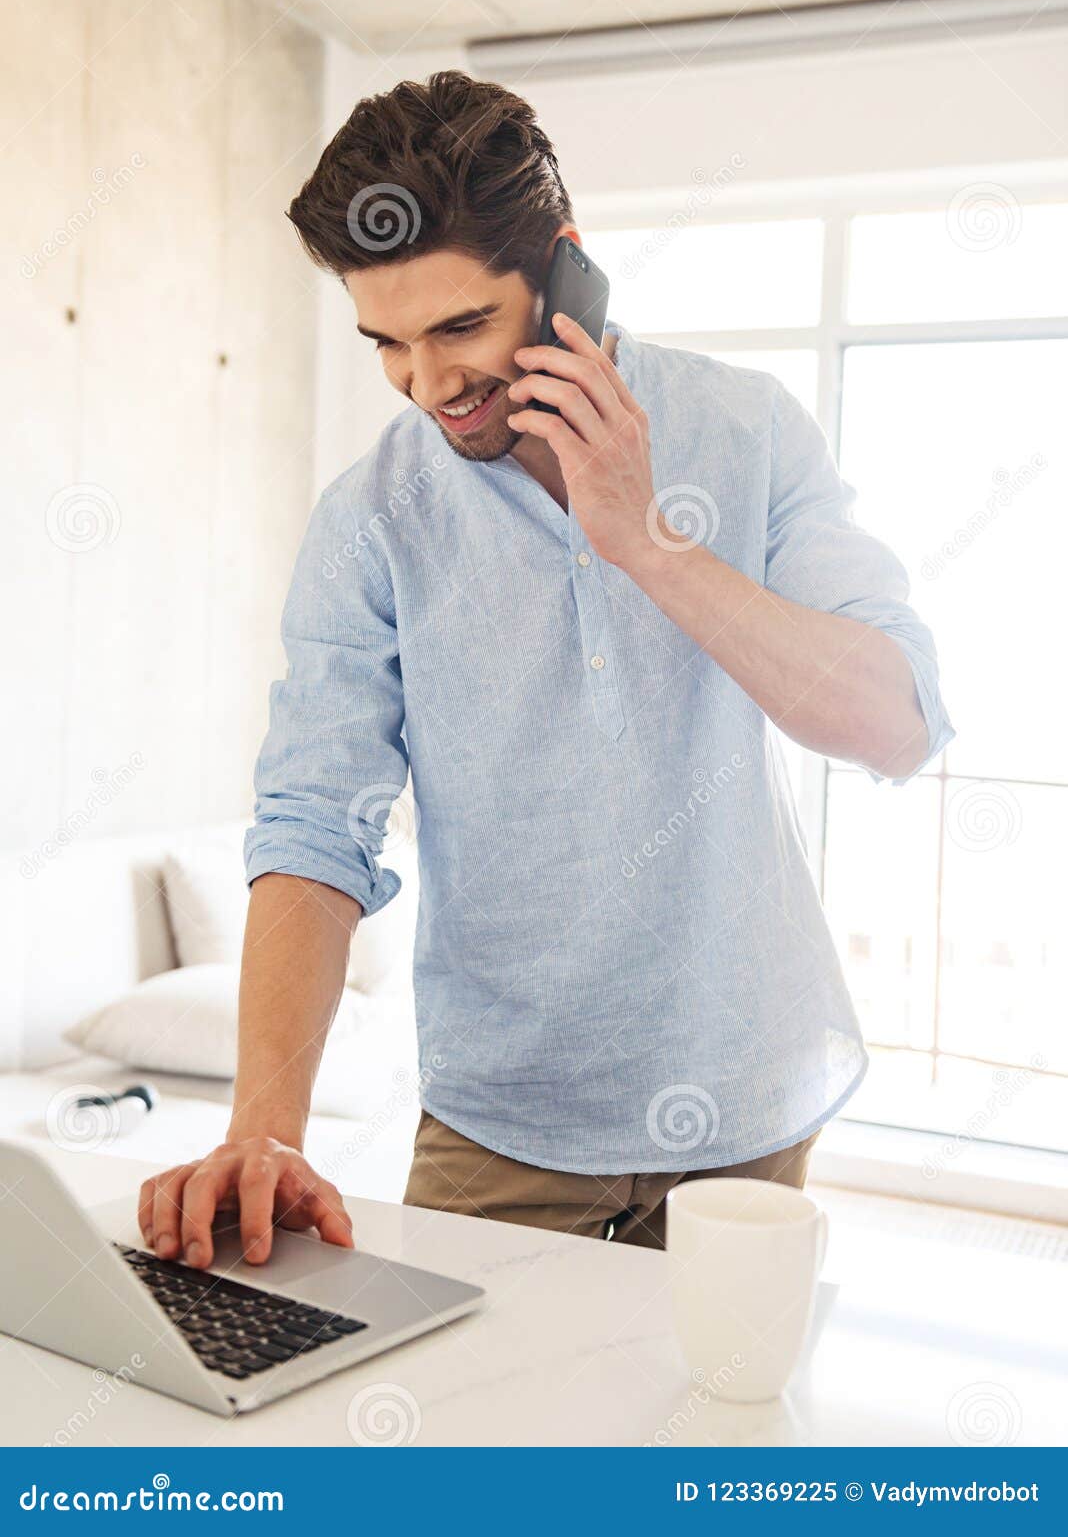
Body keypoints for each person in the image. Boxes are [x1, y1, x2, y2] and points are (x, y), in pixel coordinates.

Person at [138, 70, 953, 1263]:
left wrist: (647, 543)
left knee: (708, 1440)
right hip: (503, 1119)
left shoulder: (749, 428)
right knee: (482, 1448)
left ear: (566, 268)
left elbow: (898, 724)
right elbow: (316, 824)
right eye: (388, 344)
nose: (429, 386)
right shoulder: (371, 519)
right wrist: (267, 1131)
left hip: (749, 1097)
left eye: (460, 327)